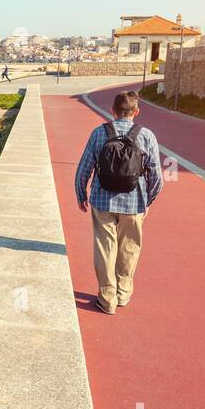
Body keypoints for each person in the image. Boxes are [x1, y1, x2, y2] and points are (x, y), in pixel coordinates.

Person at [73, 90, 163, 314]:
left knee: (105, 248)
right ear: (137, 111)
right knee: (129, 248)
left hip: (102, 201)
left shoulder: (98, 133)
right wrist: (148, 201)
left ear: (112, 111)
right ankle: (123, 294)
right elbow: (157, 177)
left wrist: (81, 194)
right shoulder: (146, 135)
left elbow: (84, 168)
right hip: (134, 203)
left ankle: (107, 298)